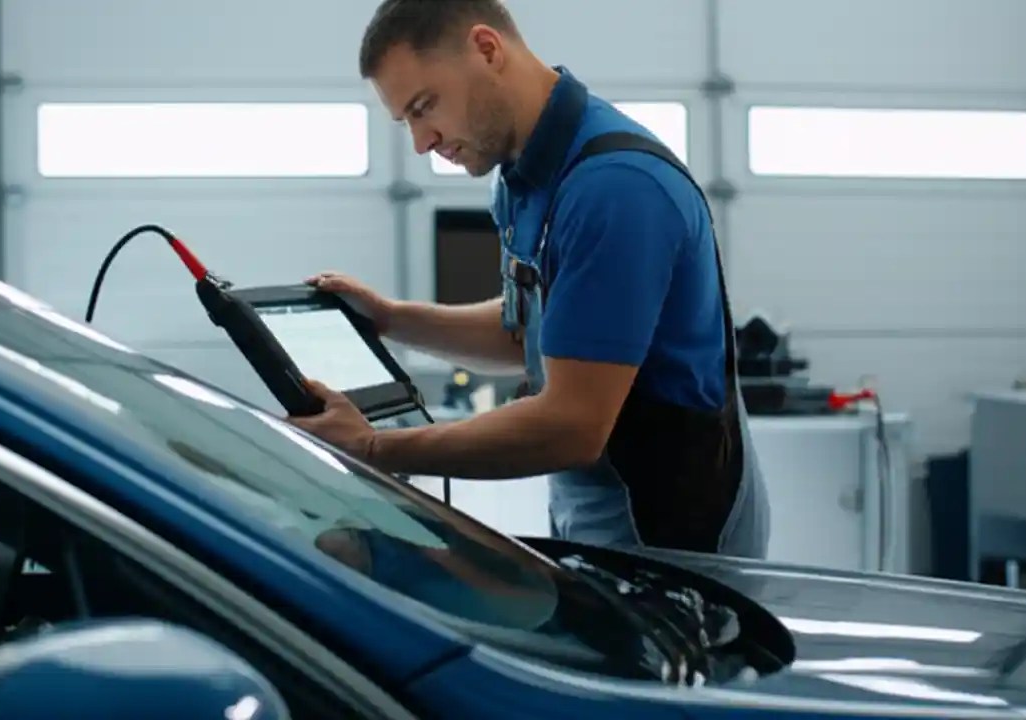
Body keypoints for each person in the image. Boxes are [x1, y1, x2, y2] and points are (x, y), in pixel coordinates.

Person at [290, 0, 770, 559]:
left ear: (487, 50)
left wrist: (374, 448)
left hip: (674, 541)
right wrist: (392, 318)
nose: (422, 142)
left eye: (424, 107)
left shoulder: (614, 188)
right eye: (407, 122)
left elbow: (572, 425)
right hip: (595, 519)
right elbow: (531, 334)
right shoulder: (521, 178)